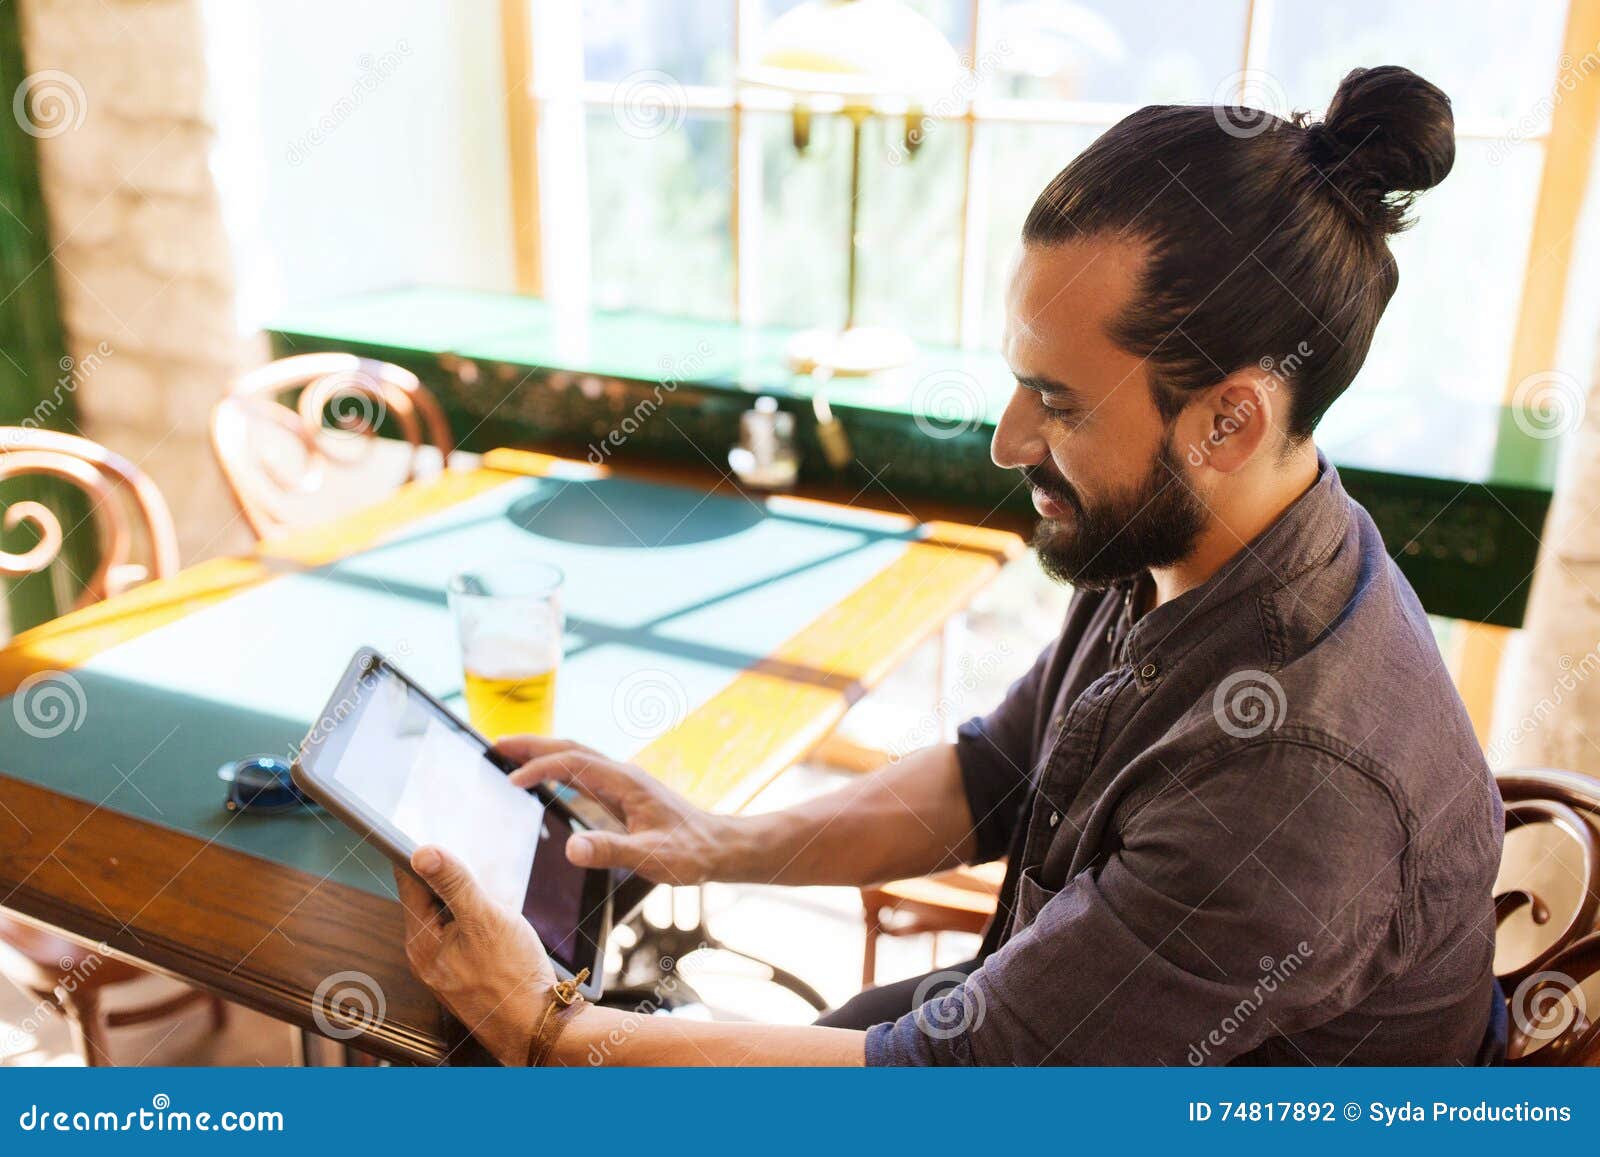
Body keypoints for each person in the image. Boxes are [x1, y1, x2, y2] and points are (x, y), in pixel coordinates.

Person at [396, 65, 1505, 1066]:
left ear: (1227, 422)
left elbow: (945, 1089)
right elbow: (994, 774)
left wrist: (545, 1027)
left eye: (1059, 403)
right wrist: (713, 841)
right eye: (1021, 381)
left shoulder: (1298, 785)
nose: (1008, 441)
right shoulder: (1184, 537)